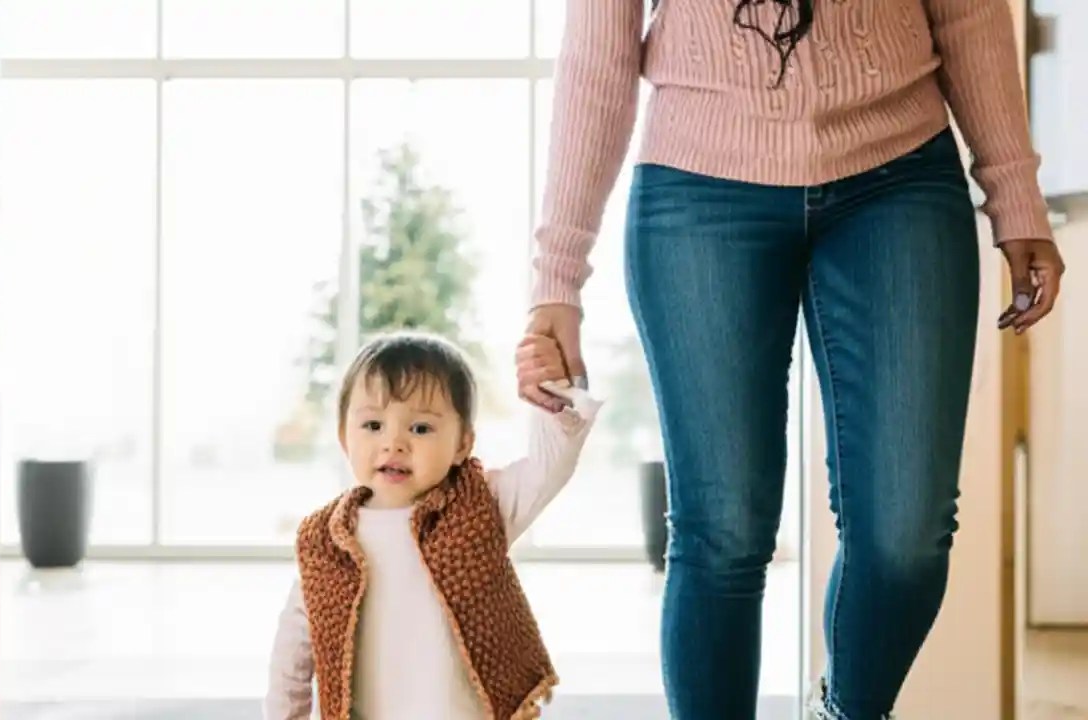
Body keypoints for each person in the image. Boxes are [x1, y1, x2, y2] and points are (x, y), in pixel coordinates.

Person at [517, 1, 1068, 718]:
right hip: (699, 188)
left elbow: (968, 14)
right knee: (722, 532)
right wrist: (557, 277)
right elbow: (598, 55)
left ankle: (843, 710)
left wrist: (1016, 194)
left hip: (898, 176)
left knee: (907, 535)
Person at [264, 331, 601, 720]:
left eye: (420, 428)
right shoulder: (326, 541)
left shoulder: (480, 509)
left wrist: (554, 395)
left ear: (462, 445)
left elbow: (548, 468)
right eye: (373, 425)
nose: (394, 443)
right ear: (344, 437)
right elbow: (293, 655)